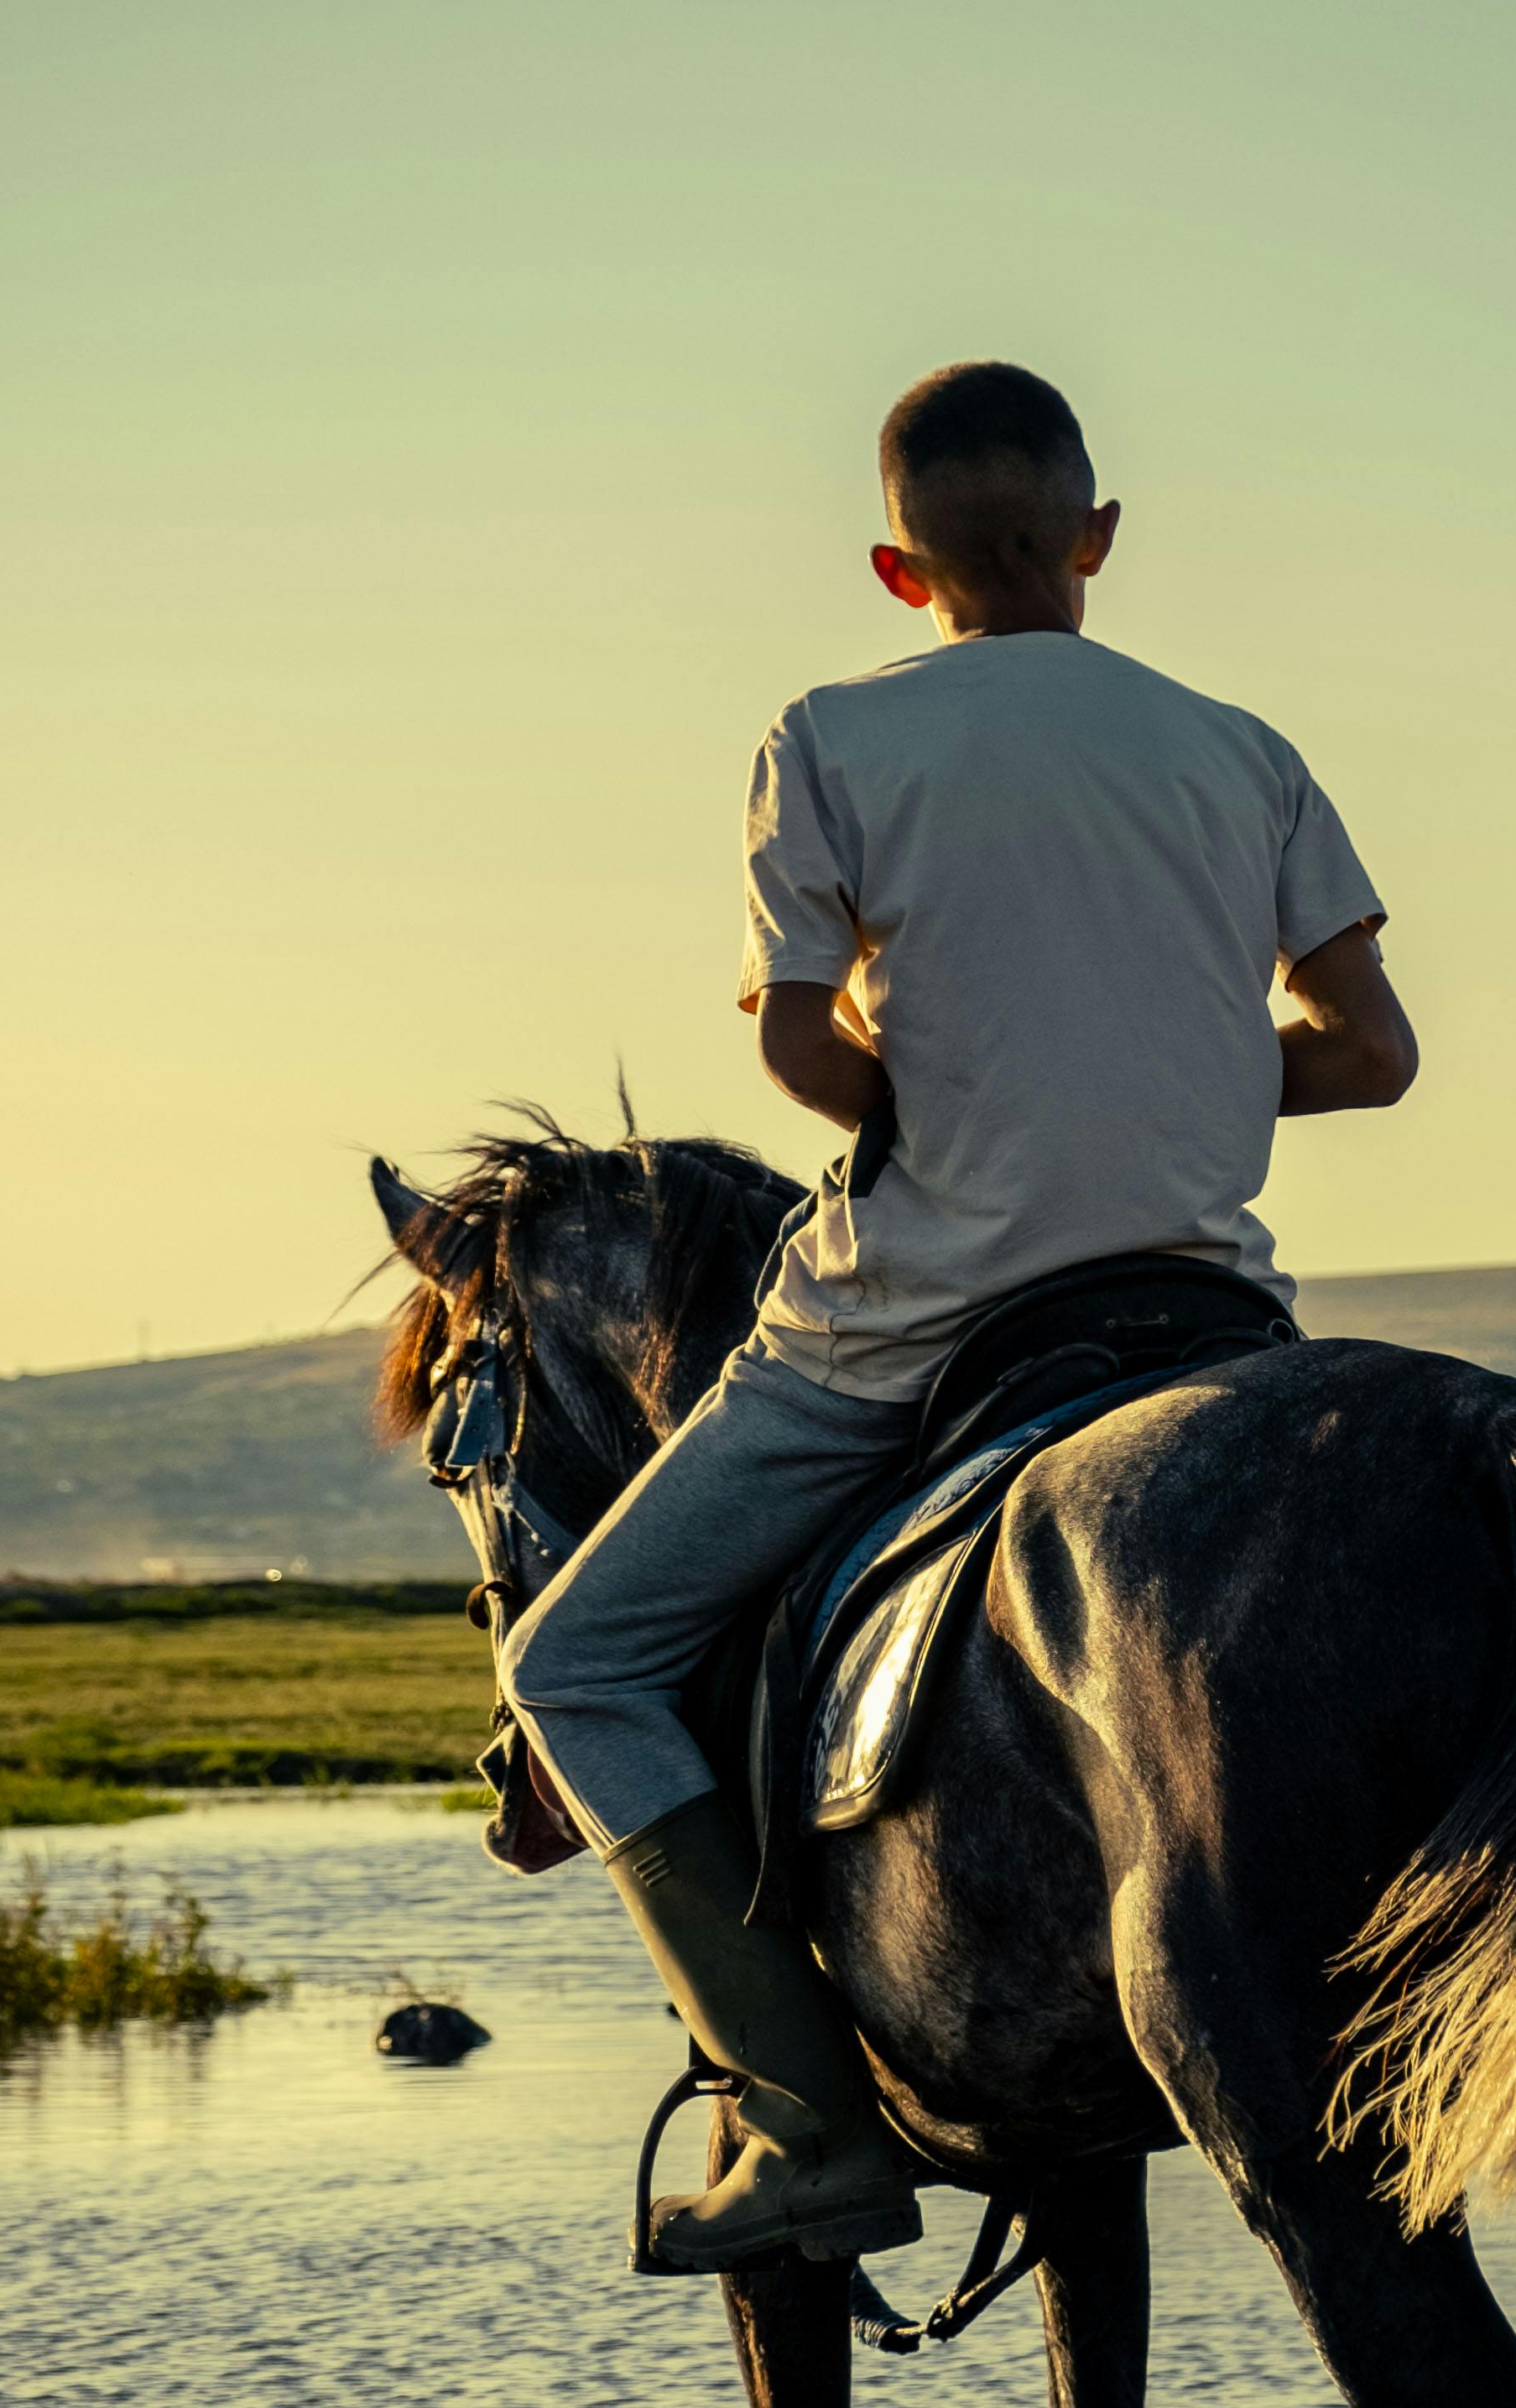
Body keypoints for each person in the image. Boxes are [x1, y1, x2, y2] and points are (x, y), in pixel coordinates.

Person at [501, 358, 1419, 2271]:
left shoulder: (829, 732)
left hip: (906, 1327)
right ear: (1096, 540)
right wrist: (1179, 1075)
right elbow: (1376, 1052)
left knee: (573, 1666)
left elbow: (791, 1048)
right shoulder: (1240, 749)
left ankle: (808, 2119)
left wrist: (942, 1102)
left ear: (896, 569)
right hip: (1197, 1311)